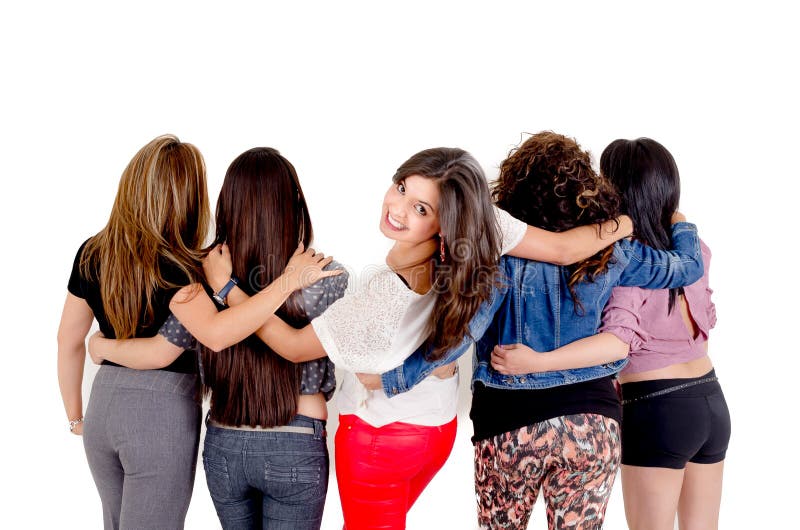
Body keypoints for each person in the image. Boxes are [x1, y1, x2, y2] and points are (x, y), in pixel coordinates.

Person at [204, 146, 636, 530]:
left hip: (380, 438)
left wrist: (229, 290)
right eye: (401, 187)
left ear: (444, 223)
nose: (399, 208)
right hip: (436, 431)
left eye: (421, 209)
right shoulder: (482, 228)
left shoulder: (383, 293)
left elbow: (294, 345)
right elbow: (563, 249)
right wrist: (625, 222)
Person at [370, 132, 706, 529]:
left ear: (510, 187)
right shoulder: (615, 248)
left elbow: (462, 332)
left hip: (509, 424)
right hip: (591, 425)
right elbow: (686, 267)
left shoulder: (496, 253)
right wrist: (680, 223)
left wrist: (392, 379)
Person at [88, 147, 345, 530]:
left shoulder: (204, 274)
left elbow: (162, 350)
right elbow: (296, 347)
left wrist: (102, 346)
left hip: (225, 444)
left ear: (225, 205)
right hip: (296, 442)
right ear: (296, 203)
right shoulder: (324, 275)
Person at [57, 134, 212, 529]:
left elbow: (69, 339)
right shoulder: (190, 268)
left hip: (103, 405)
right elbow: (170, 350)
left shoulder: (92, 252)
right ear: (189, 197)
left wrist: (76, 416)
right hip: (160, 413)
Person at [598, 138, 729, 530]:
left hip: (656, 407)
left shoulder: (625, 261)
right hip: (711, 399)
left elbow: (616, 339)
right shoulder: (695, 250)